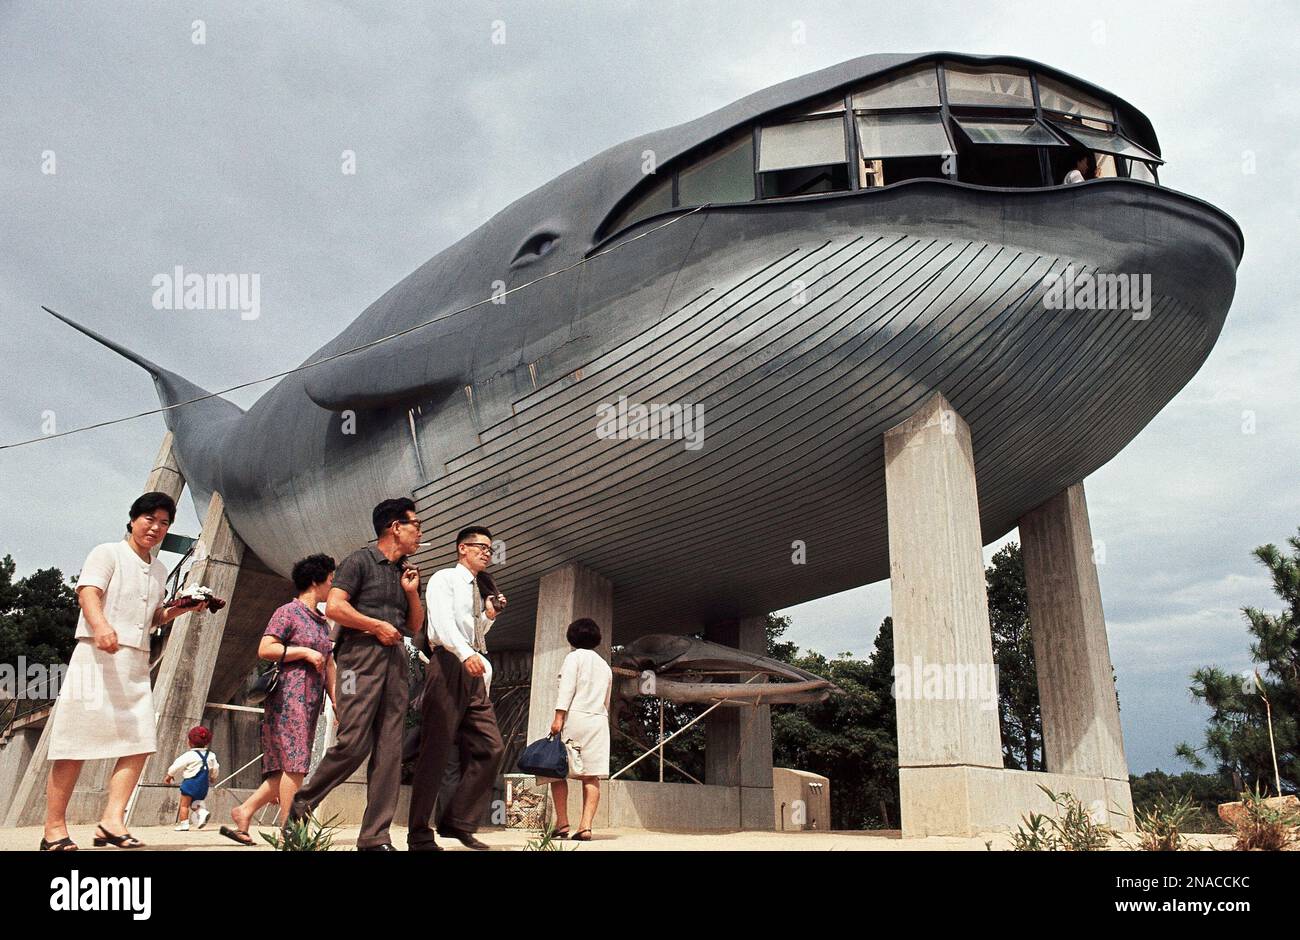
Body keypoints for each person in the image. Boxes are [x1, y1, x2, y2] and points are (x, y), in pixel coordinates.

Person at [42, 491, 212, 851]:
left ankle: (111, 821)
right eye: (149, 518)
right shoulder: (107, 553)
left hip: (135, 662)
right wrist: (101, 625)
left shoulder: (161, 569)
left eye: (164, 522)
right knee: (74, 743)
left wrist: (184, 606)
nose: (156, 527)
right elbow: (88, 593)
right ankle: (53, 829)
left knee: (140, 741)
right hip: (96, 655)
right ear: (134, 519)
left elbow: (155, 618)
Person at [286, 499, 424, 852]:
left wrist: (411, 594)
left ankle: (375, 837)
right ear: (395, 527)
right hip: (360, 656)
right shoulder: (359, 561)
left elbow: (414, 626)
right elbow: (335, 607)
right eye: (415, 524)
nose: (419, 531)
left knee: (391, 750)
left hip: (395, 658)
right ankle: (302, 805)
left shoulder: (405, 572)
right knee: (353, 743)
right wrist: (375, 624)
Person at [221, 554, 337, 846]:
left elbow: (331, 663)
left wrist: (337, 700)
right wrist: (303, 653)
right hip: (288, 697)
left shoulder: (323, 623)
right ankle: (290, 831)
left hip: (311, 700)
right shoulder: (288, 612)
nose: (333, 585)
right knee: (295, 765)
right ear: (316, 580)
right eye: (331, 579)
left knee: (290, 767)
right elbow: (266, 647)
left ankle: (243, 811)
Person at [408, 526, 506, 851]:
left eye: (490, 549)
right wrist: (465, 655)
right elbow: (443, 624)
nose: (487, 553)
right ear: (462, 548)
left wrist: (489, 615)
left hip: (472, 667)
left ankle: (457, 821)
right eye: (481, 547)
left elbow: (476, 631)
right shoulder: (444, 580)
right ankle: (419, 833)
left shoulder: (478, 589)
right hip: (450, 664)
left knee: (492, 747)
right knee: (435, 752)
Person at [547, 618, 613, 842]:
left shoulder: (573, 658)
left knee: (556, 770)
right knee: (591, 775)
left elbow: (566, 689)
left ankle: (562, 822)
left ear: (572, 637)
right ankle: (585, 826)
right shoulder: (604, 665)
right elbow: (607, 700)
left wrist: (558, 718)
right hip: (598, 720)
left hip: (576, 717)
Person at [164, 725, 219, 831]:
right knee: (195, 803)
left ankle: (184, 824)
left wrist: (169, 775)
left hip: (190, 783)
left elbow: (177, 765)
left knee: (184, 805)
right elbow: (215, 768)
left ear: (190, 742)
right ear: (207, 742)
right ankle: (202, 813)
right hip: (203, 785)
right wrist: (213, 777)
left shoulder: (189, 755)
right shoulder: (211, 755)